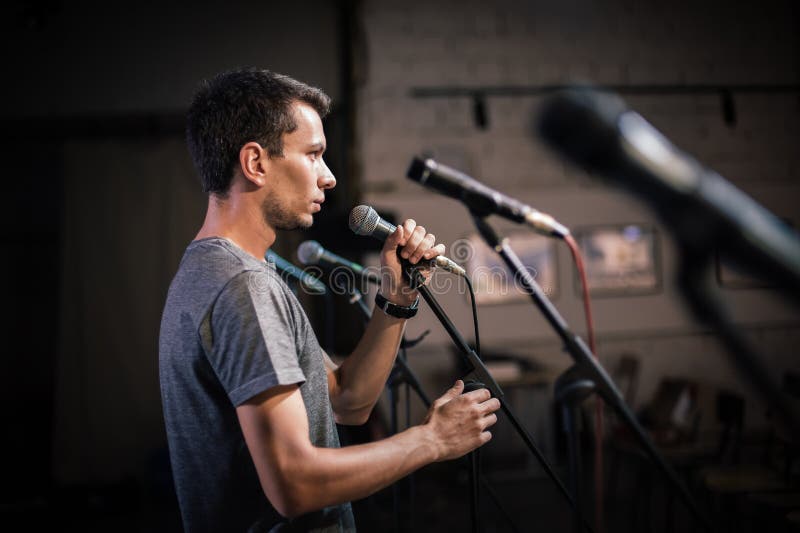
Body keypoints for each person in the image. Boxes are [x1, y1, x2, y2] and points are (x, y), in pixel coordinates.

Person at [159, 67, 500, 533]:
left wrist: (396, 298)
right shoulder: (242, 288)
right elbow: (293, 484)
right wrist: (432, 441)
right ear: (255, 163)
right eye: (314, 155)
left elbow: (346, 401)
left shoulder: (220, 272)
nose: (330, 178)